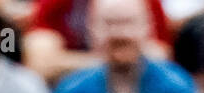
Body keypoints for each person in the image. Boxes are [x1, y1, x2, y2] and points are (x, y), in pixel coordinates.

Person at [45, 0, 200, 93]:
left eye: (128, 22)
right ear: (91, 28)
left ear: (149, 27)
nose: (120, 33)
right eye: (109, 23)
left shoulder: (177, 87)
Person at [23, 0, 172, 85]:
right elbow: (40, 58)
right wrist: (108, 62)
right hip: (78, 83)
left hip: (135, 84)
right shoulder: (57, 3)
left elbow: (161, 54)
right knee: (40, 43)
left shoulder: (142, 4)